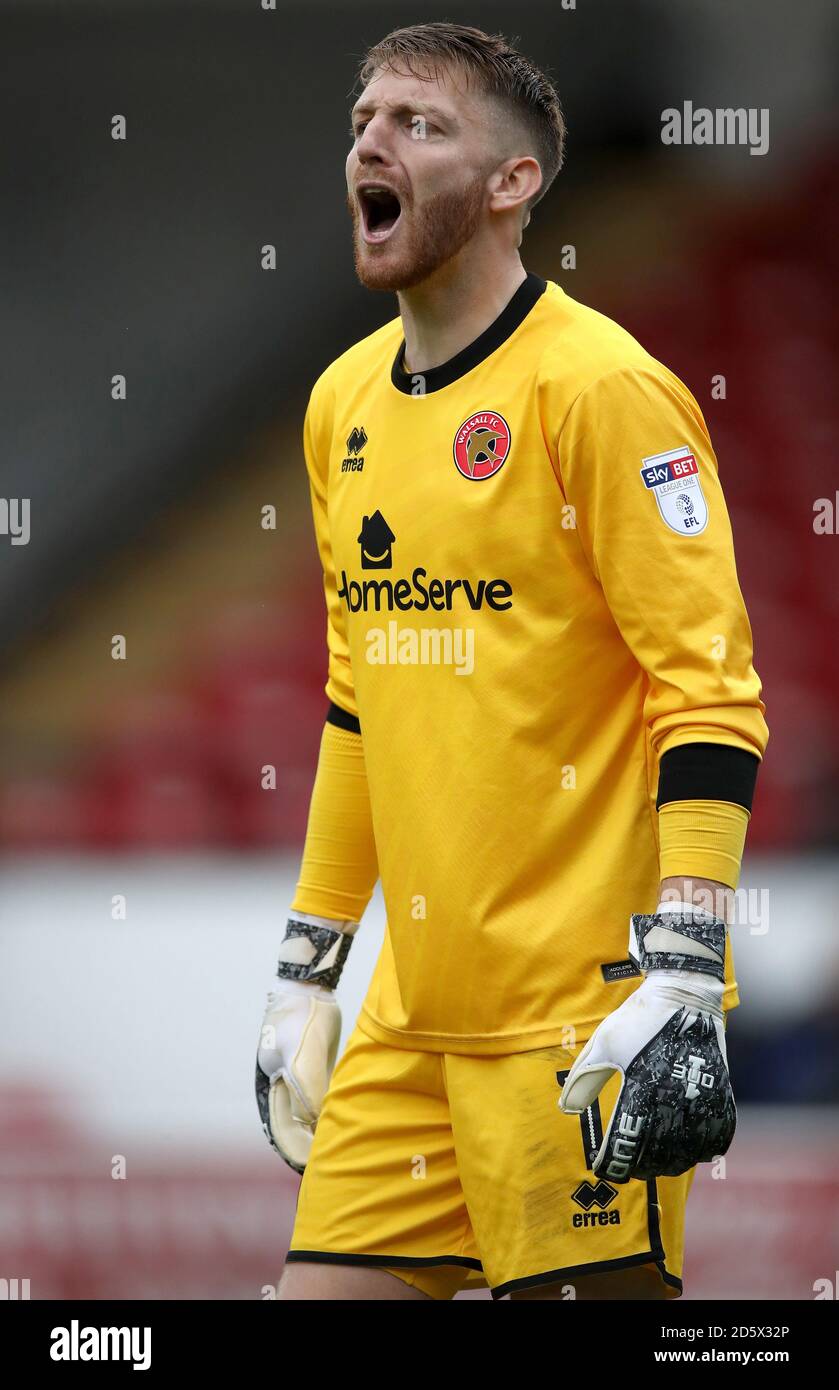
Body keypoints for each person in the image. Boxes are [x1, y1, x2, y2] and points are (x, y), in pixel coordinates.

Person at [255, 21, 768, 1301]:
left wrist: (688, 967)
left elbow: (707, 687)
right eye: (364, 120)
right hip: (405, 1026)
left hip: (576, 1019)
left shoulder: (600, 390)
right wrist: (305, 967)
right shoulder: (340, 406)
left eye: (418, 124)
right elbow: (356, 704)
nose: (372, 140)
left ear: (511, 183)